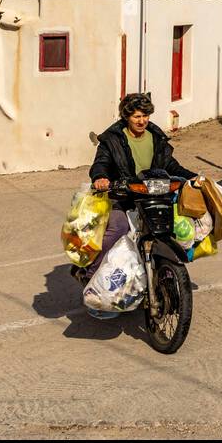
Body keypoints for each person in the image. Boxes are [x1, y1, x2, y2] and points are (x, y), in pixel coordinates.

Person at [79, 93, 197, 302]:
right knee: (119, 227)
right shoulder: (112, 139)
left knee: (174, 226)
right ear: (126, 117)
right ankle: (90, 270)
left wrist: (194, 177)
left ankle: (163, 272)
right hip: (122, 196)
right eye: (136, 117)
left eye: (145, 116)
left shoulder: (156, 137)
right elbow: (101, 163)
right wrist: (100, 177)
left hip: (153, 195)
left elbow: (170, 165)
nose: (142, 121)